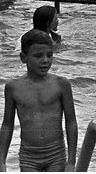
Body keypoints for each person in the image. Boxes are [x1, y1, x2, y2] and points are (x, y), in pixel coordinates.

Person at [0, 30, 77, 172]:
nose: (45, 60)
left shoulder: (61, 84)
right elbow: (7, 125)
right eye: (38, 56)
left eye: (49, 55)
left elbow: (71, 122)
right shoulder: (13, 87)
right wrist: (1, 161)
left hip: (56, 153)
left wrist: (71, 161)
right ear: (23, 58)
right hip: (28, 156)